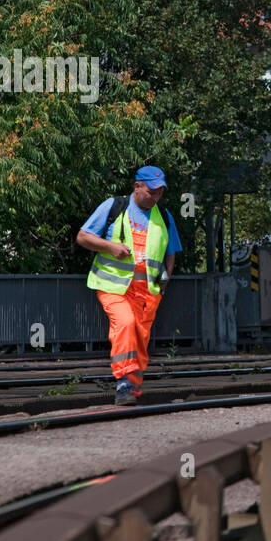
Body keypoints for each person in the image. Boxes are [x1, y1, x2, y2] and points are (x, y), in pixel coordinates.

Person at [76, 166, 183, 405]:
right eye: (151, 192)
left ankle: (132, 386)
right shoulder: (114, 207)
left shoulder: (164, 217)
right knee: (125, 323)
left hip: (148, 292)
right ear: (137, 186)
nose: (155, 197)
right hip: (113, 287)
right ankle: (123, 382)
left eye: (159, 193)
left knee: (140, 338)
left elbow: (171, 254)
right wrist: (111, 247)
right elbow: (83, 237)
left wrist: (164, 284)